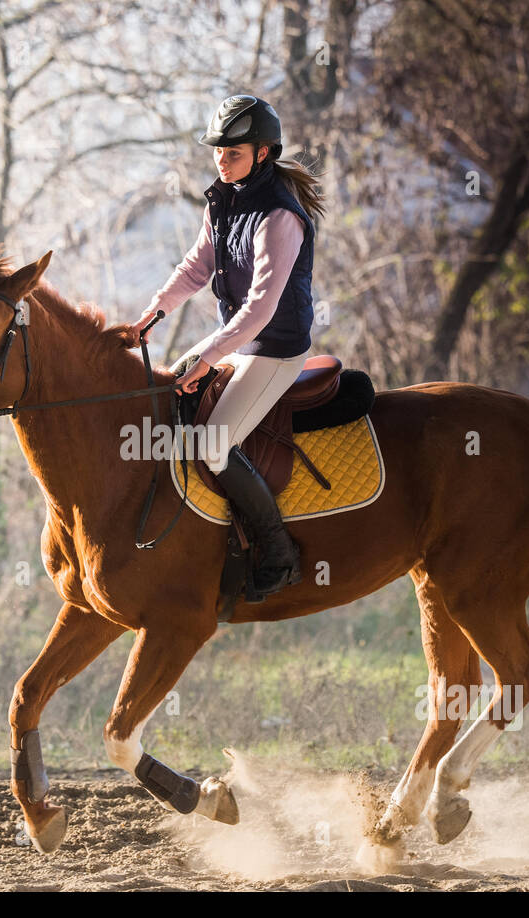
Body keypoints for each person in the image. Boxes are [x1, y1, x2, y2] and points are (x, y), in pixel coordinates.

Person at [127, 94, 325, 600]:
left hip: (276, 348)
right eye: (217, 150)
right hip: (239, 339)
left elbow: (260, 310)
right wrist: (152, 313)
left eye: (232, 152)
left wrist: (209, 357)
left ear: (263, 154)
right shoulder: (224, 198)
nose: (221, 159)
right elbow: (195, 267)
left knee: (213, 443)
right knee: (176, 400)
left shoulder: (280, 216)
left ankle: (279, 555)